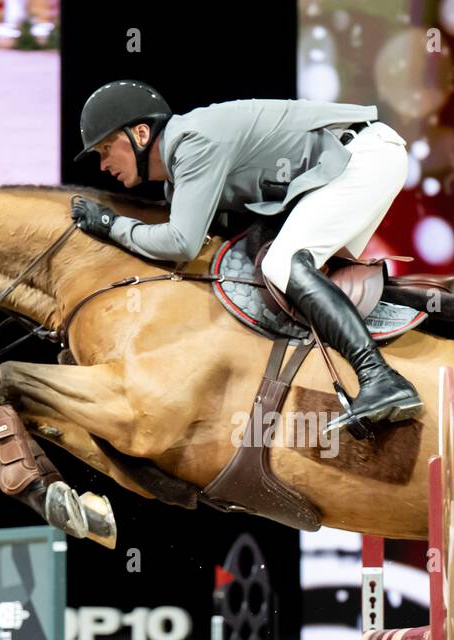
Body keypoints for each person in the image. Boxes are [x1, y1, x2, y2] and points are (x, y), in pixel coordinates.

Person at [70, 80, 422, 435]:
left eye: (105, 149)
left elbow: (182, 243)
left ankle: (380, 378)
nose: (103, 165)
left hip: (362, 158)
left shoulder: (194, 142)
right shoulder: (179, 174)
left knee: (282, 264)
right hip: (349, 164)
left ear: (141, 133)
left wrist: (112, 225)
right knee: (293, 277)